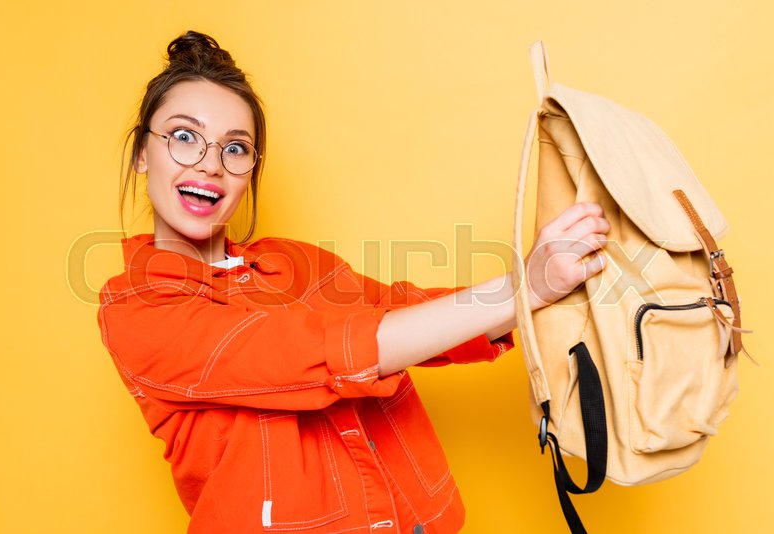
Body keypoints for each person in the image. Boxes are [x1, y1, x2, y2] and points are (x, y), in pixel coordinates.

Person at [96, 30, 610, 534]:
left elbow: (401, 312)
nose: (210, 163)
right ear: (143, 153)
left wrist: (547, 281)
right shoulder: (136, 310)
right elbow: (321, 352)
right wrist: (524, 287)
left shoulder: (291, 262)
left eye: (236, 148)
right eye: (184, 136)